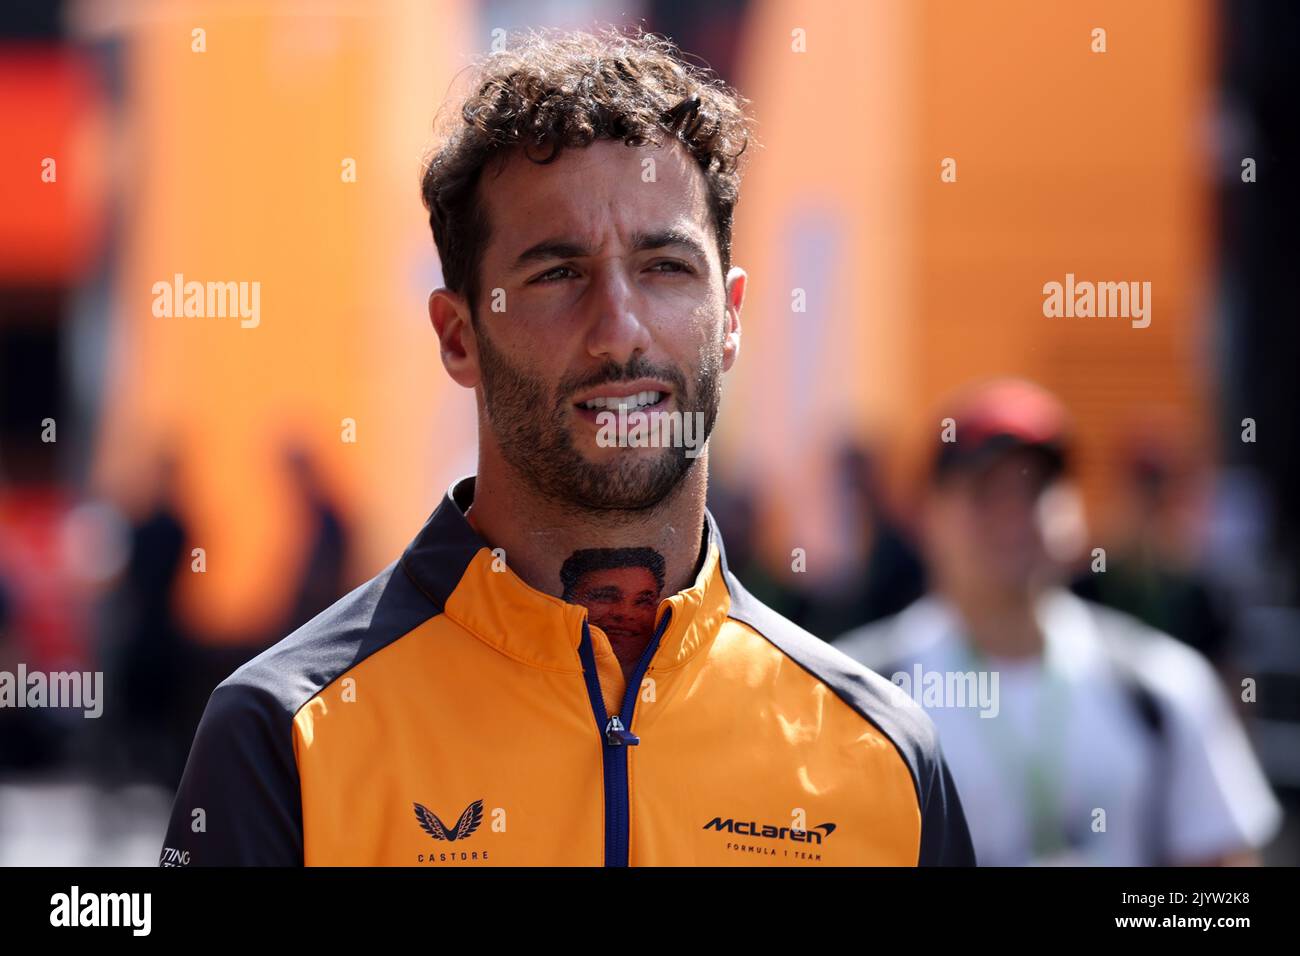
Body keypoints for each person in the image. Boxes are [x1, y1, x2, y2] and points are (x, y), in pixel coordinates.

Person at [159, 28, 974, 867]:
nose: (619, 330)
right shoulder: (285, 734)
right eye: (557, 274)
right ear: (457, 335)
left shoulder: (882, 758)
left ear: (730, 318)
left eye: (665, 267)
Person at [836, 379, 1282, 866]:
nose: (1013, 515)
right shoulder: (860, 694)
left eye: (1035, 488)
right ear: (928, 517)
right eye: (984, 491)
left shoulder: (1161, 686)